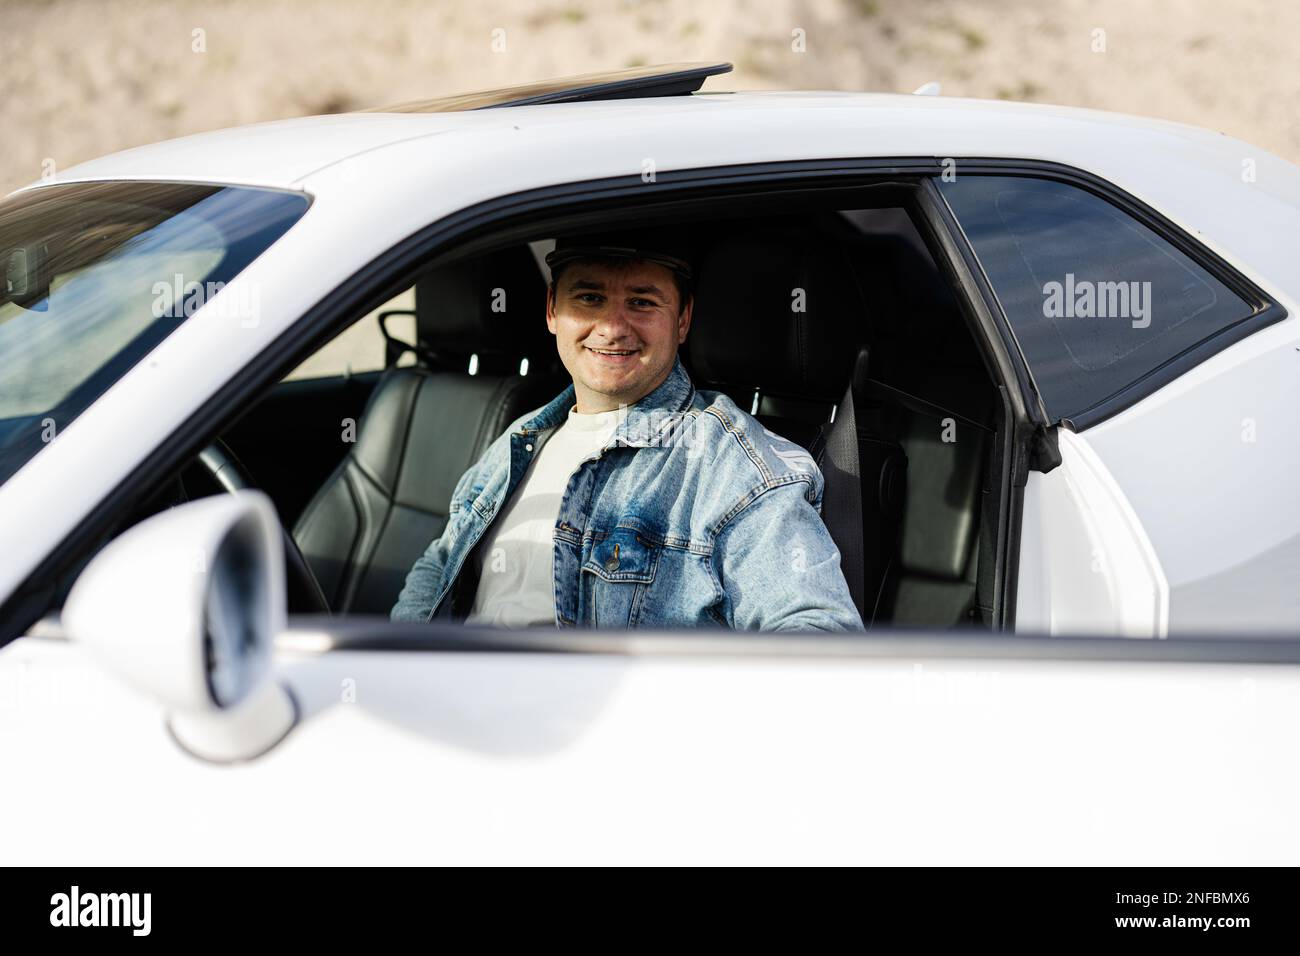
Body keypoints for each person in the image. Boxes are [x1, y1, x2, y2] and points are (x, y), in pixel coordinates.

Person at [391, 228, 863, 630]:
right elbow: (438, 565)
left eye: (641, 302)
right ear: (553, 309)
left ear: (682, 320)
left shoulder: (734, 467)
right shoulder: (521, 439)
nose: (613, 327)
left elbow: (818, 633)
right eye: (590, 298)